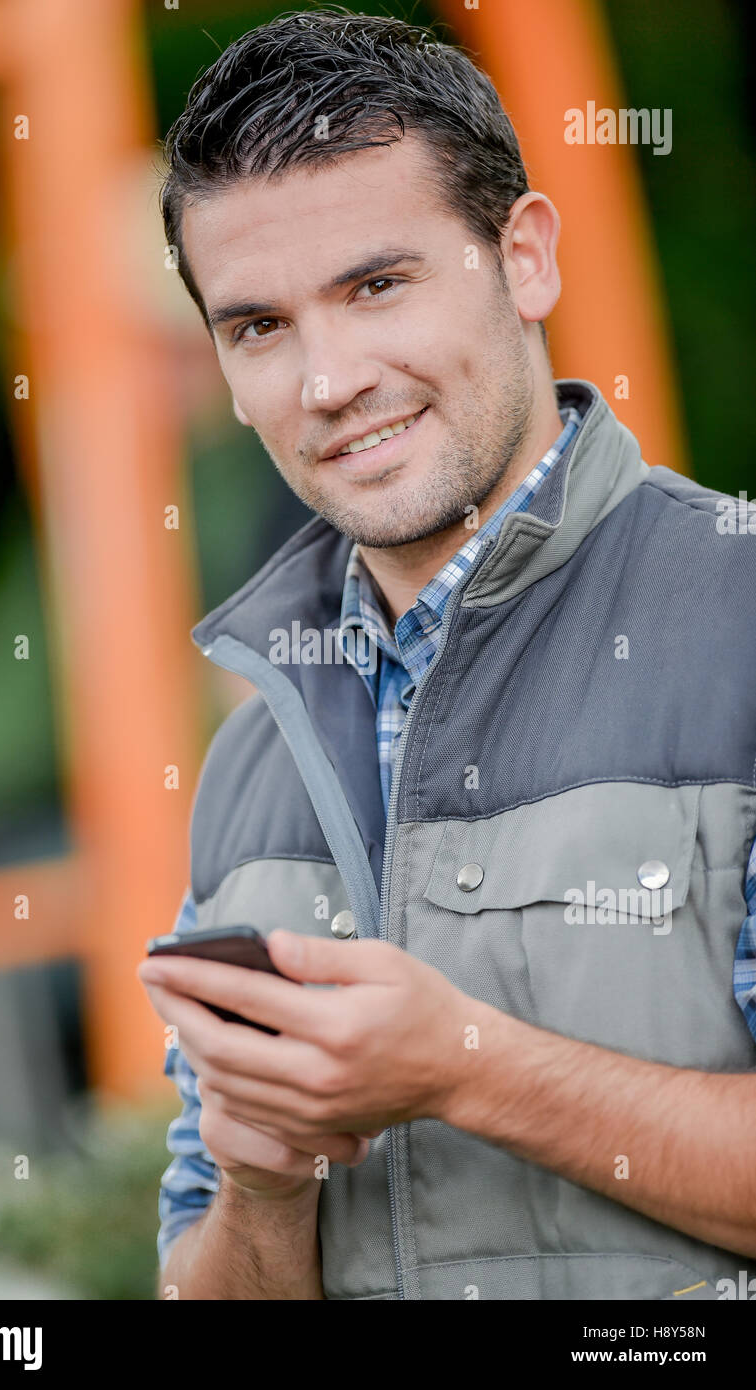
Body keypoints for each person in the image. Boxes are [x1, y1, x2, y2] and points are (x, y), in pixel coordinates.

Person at [137, 9, 756, 1301]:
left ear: (522, 258)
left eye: (376, 285)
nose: (327, 379)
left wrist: (467, 1064)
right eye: (258, 327)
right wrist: (260, 1183)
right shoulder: (254, 752)